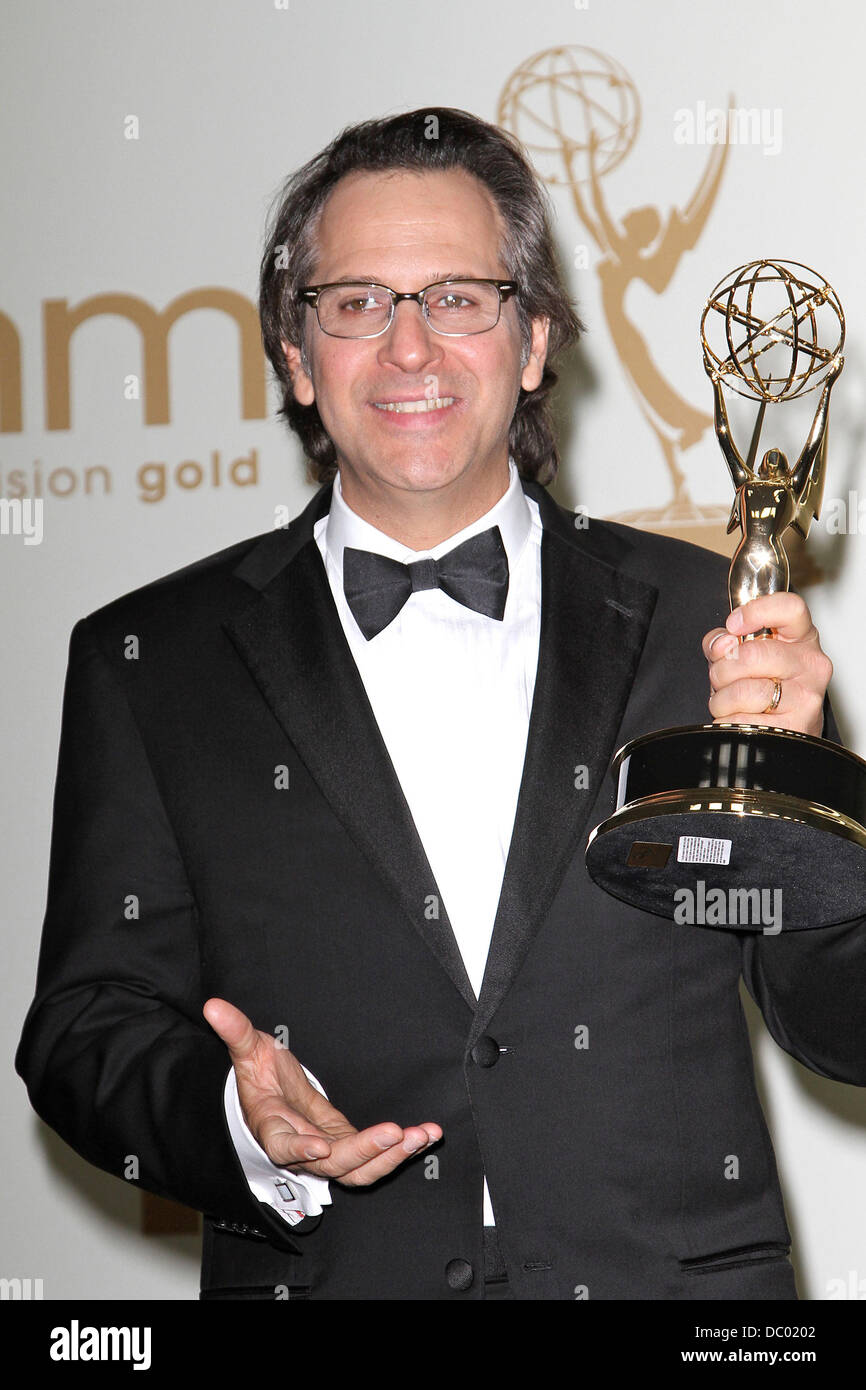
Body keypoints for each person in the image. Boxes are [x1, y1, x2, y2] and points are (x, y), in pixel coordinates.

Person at [16, 107, 865, 1301]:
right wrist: (239, 1122)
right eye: (357, 301)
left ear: (531, 341)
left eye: (459, 297)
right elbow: (82, 1032)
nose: (410, 349)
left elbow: (844, 1026)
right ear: (297, 356)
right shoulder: (150, 660)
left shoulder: (707, 624)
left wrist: (802, 800)